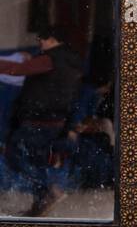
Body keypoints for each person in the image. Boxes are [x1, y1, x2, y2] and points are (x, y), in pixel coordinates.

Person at [0, 28, 84, 216]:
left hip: (38, 120)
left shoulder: (51, 59)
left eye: (42, 40)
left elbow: (18, 70)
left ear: (53, 40)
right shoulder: (72, 62)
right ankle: (39, 206)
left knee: (14, 154)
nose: (40, 43)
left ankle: (49, 191)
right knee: (37, 161)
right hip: (56, 121)